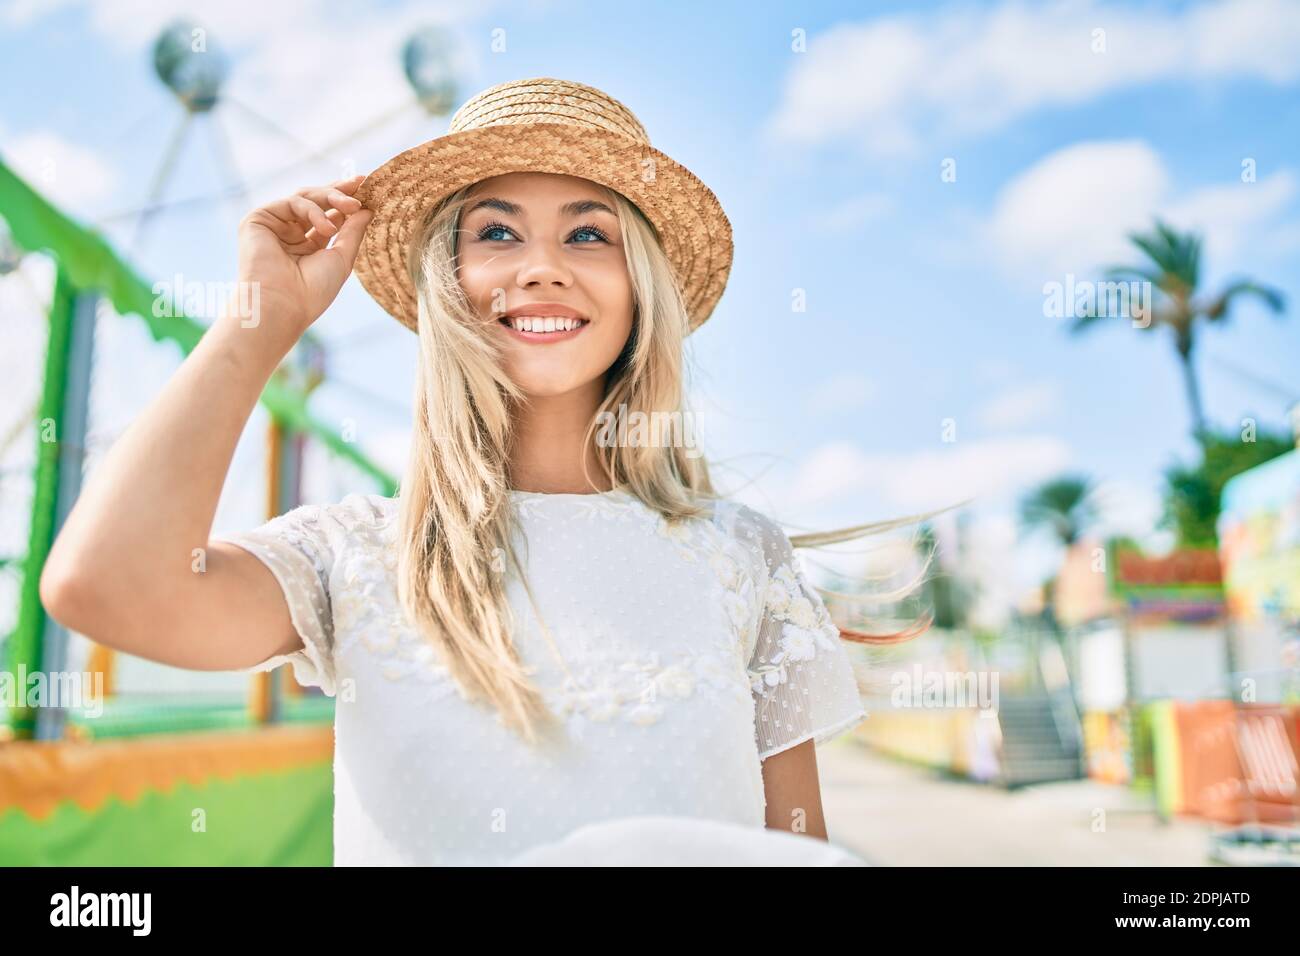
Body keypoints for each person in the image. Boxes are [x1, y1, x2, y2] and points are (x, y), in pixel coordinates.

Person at [41, 77, 940, 866]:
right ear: (448, 278)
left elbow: (795, 855)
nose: (542, 267)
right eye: (498, 232)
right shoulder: (356, 553)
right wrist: (257, 322)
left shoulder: (746, 559)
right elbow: (105, 585)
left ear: (642, 290)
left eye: (590, 235)